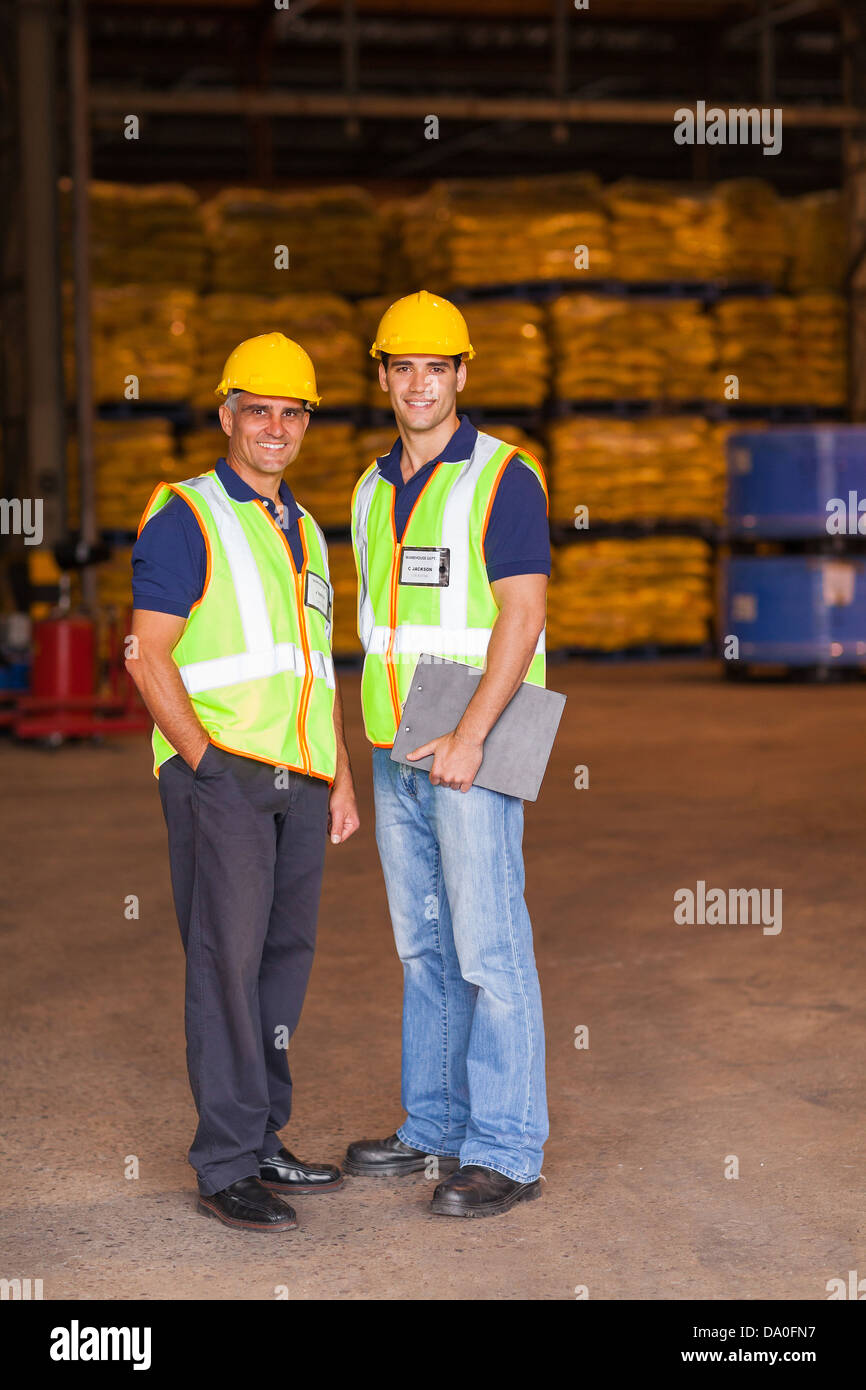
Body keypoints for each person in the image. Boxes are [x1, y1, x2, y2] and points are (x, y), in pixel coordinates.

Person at [127, 332, 359, 1232]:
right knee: (226, 964)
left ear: (305, 424)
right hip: (221, 775)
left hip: (300, 782)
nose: (273, 426)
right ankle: (225, 1162)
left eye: (290, 412)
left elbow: (315, 667)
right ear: (227, 416)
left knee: (280, 961)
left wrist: (338, 775)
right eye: (256, 409)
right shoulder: (186, 514)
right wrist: (203, 762)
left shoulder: (301, 528)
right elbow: (148, 654)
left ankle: (263, 1136)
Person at [345, 291, 550, 1218]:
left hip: (477, 736)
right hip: (399, 742)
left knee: (489, 943)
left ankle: (506, 1148)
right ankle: (434, 1125)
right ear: (383, 375)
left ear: (463, 375)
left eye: (438, 367)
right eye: (403, 367)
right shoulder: (369, 487)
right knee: (423, 942)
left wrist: (470, 736)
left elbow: (523, 611)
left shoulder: (505, 476)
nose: (419, 384)